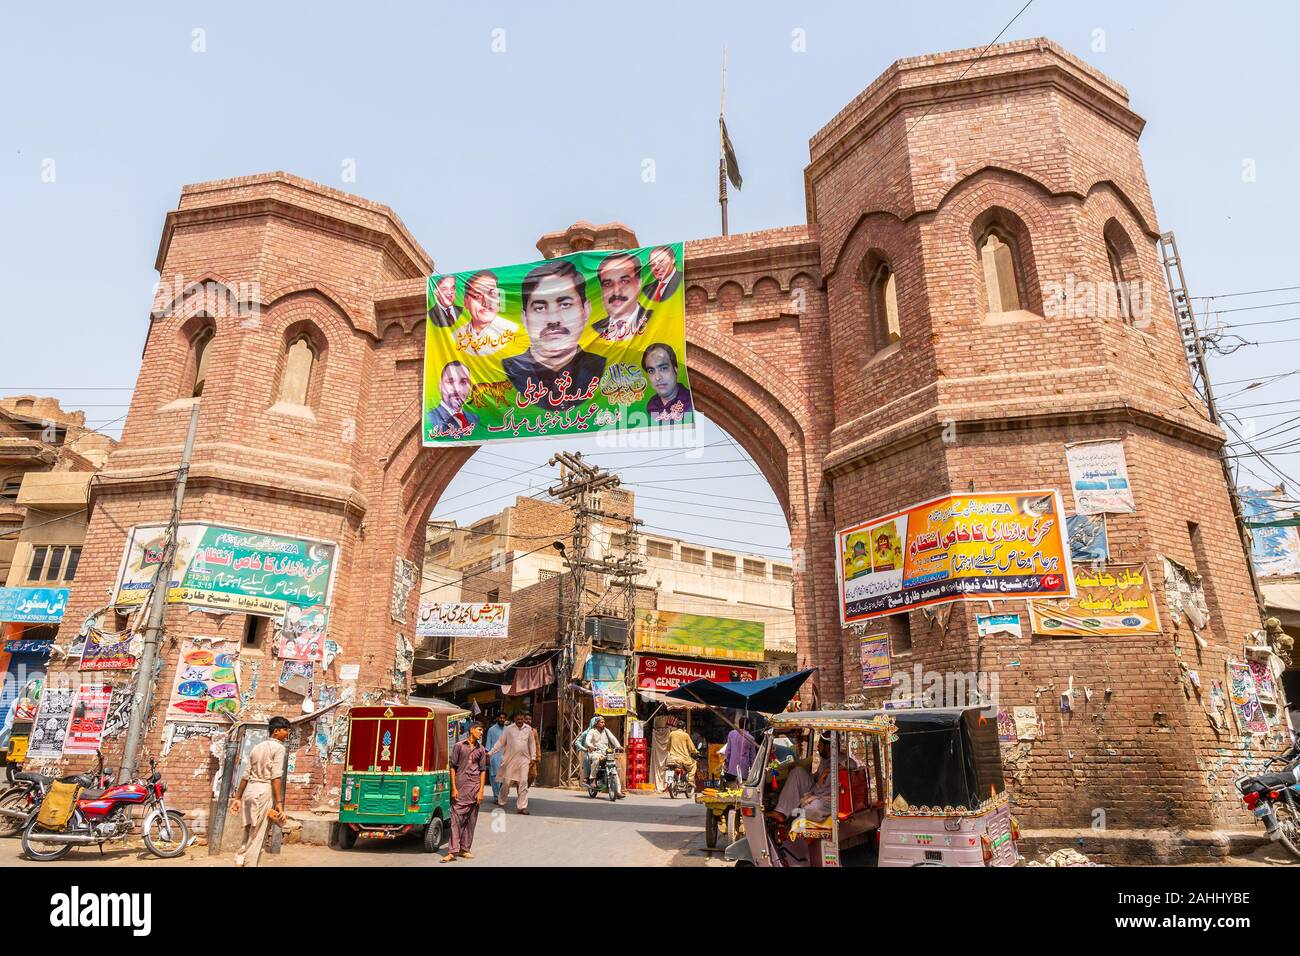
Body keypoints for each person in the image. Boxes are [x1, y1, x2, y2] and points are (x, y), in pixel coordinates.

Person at [503, 259, 606, 410]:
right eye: (539, 308)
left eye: (565, 305)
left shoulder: (603, 367)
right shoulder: (506, 372)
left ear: (586, 310)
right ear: (524, 318)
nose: (553, 319)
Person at [230, 715, 290, 867]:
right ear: (276, 731)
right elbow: (276, 778)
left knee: (247, 831)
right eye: (285, 730)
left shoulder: (257, 747)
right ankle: (249, 863)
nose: (287, 733)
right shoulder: (279, 748)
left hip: (250, 790)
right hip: (264, 791)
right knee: (258, 835)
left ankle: (240, 859)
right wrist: (279, 803)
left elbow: (245, 774)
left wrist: (237, 798)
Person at [443, 718, 489, 862]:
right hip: (460, 788)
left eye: (482, 731)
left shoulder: (481, 750)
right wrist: (454, 788)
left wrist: (481, 790)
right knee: (456, 819)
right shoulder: (458, 746)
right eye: (480, 730)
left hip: (474, 788)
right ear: (471, 730)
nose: (481, 733)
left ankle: (465, 849)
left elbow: (482, 770)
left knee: (471, 820)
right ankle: (452, 851)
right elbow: (452, 767)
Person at [453, 270, 519, 356]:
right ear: (466, 302)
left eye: (492, 295)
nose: (486, 303)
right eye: (477, 296)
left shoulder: (513, 332)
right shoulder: (455, 336)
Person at [593, 252, 651, 342]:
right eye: (608, 284)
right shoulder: (593, 331)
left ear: (639, 283)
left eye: (624, 281)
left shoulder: (655, 320)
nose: (616, 292)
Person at [488, 711, 536, 813]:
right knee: (506, 783)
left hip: (524, 760)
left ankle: (522, 807)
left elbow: (532, 744)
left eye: (521, 719)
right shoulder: (508, 729)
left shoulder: (528, 729)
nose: (520, 721)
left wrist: (533, 757)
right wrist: (491, 752)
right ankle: (501, 802)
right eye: (518, 719)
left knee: (523, 782)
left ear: (523, 719)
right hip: (510, 760)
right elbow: (500, 742)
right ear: (514, 719)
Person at [641, 343, 693, 426]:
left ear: (675, 370)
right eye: (651, 371)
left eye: (663, 368)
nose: (657, 377)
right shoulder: (651, 406)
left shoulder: (691, 401)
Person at [426, 360, 479, 435]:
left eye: (463, 382)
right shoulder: (429, 419)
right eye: (450, 382)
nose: (457, 389)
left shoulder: (475, 419)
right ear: (440, 386)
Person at [576, 716, 621, 791]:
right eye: (601, 722)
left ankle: (618, 790)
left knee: (614, 766)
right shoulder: (591, 731)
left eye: (604, 722)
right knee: (596, 759)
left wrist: (619, 746)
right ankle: (593, 779)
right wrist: (590, 746)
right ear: (597, 724)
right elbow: (588, 740)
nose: (603, 724)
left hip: (606, 752)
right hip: (595, 752)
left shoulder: (606, 731)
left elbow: (613, 738)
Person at [664, 717, 698, 791]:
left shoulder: (672, 734)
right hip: (683, 759)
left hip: (672, 758)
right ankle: (690, 780)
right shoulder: (685, 735)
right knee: (694, 763)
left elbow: (668, 747)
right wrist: (695, 751)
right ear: (684, 727)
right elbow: (691, 748)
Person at [723, 717, 758, 785]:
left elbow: (728, 751)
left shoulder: (731, 734)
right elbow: (752, 757)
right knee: (740, 791)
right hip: (743, 771)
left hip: (732, 769)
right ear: (747, 725)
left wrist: (726, 764)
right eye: (749, 724)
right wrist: (753, 771)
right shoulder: (750, 738)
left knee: (732, 790)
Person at [485, 711, 507, 802]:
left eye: (503, 718)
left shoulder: (508, 729)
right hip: (494, 757)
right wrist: (487, 757)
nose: (502, 719)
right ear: (497, 718)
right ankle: (496, 796)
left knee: (504, 778)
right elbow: (488, 744)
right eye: (500, 717)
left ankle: (501, 795)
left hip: (506, 757)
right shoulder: (491, 730)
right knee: (494, 777)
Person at [524, 712, 541, 786]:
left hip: (532, 757)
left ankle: (525, 789)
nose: (528, 721)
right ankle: (521, 792)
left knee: (533, 774)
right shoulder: (519, 730)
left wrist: (538, 756)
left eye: (529, 719)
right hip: (522, 756)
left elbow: (537, 744)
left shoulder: (534, 731)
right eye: (526, 719)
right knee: (522, 776)